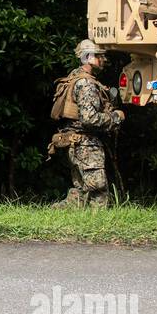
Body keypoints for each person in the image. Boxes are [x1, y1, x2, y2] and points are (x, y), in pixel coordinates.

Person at [50, 39, 123, 208]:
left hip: (75, 142)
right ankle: (99, 229)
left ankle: (56, 216)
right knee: (98, 193)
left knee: (81, 193)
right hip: (86, 144)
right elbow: (89, 119)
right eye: (99, 56)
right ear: (88, 57)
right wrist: (116, 117)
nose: (103, 60)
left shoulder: (74, 77)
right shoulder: (86, 84)